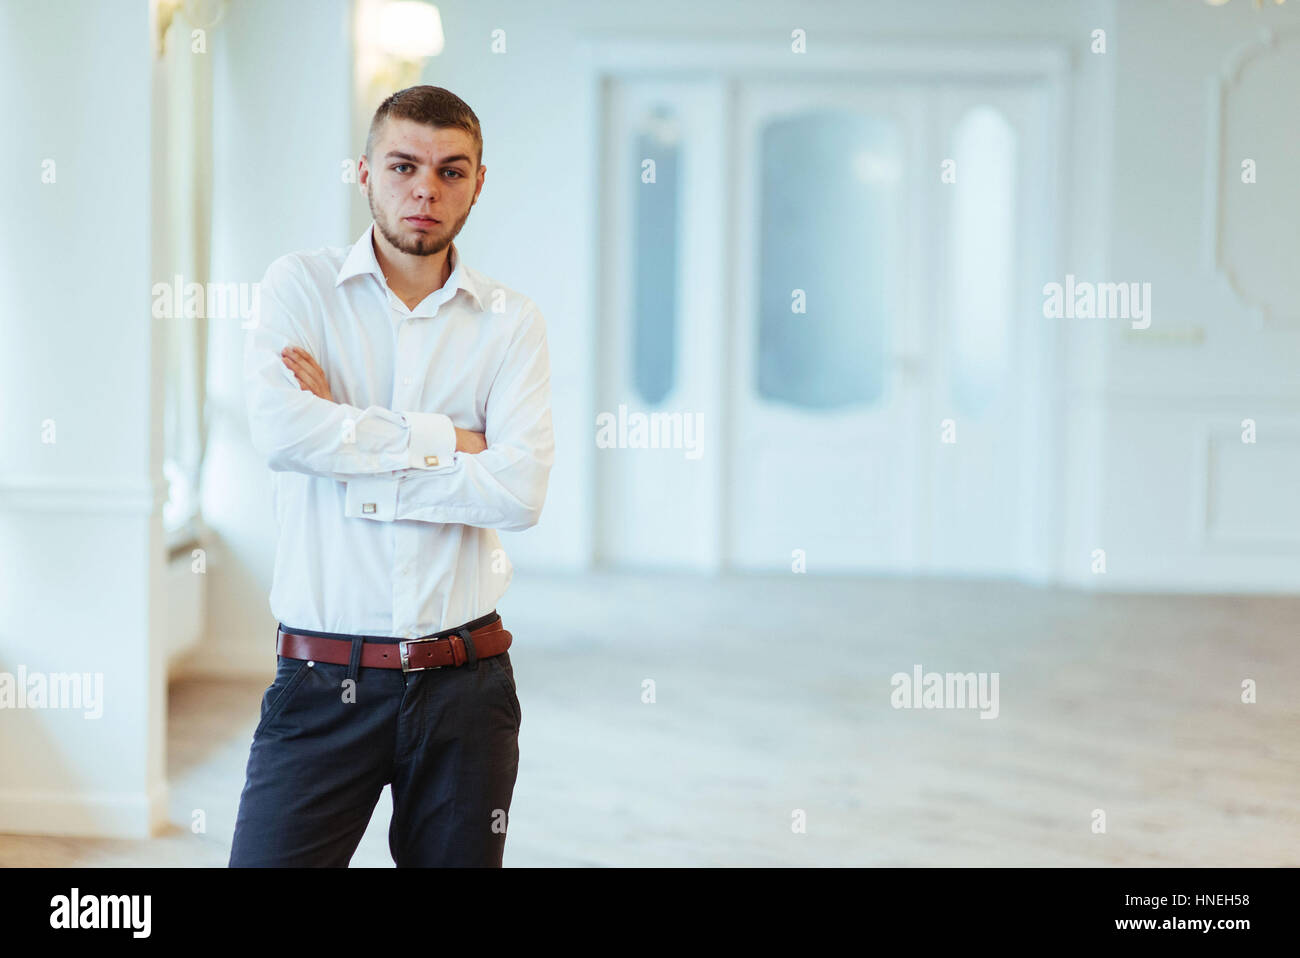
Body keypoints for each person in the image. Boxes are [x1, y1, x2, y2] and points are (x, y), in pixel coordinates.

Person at [229, 85, 554, 867]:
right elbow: (280, 431)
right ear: (364, 172)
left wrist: (348, 441)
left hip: (466, 686)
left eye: (451, 171)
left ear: (479, 181)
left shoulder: (513, 322)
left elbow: (518, 490)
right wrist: (453, 440)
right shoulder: (298, 288)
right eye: (404, 165)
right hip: (319, 683)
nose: (425, 190)